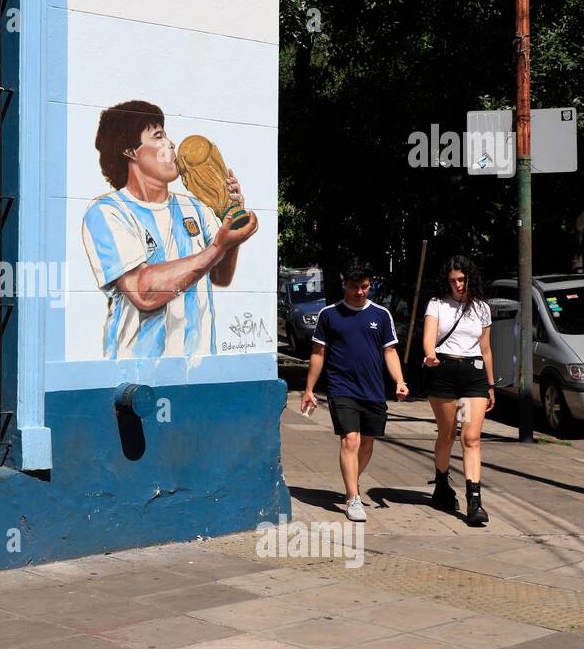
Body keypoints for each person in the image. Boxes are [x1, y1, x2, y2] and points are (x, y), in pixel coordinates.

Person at [81, 100, 258, 358]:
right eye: (159, 136)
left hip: (199, 370)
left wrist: (232, 229)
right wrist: (219, 245)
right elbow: (144, 291)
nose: (172, 144)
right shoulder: (107, 212)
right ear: (131, 151)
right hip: (137, 374)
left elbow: (220, 276)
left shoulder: (194, 208)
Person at [301, 261, 408, 522]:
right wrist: (309, 389)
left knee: (367, 443)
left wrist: (400, 381)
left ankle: (351, 483)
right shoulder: (330, 314)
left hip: (373, 390)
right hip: (341, 388)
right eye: (355, 287)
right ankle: (352, 497)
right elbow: (318, 353)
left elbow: (390, 351)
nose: (360, 292)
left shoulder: (381, 315)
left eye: (365, 287)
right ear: (344, 285)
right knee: (351, 439)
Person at [422, 255, 494, 526]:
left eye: (462, 280)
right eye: (453, 281)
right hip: (443, 373)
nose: (458, 285)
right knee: (448, 434)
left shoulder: (482, 308)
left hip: (473, 377)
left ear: (470, 278)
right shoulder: (437, 304)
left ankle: (474, 501)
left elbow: (486, 349)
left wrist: (490, 385)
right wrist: (430, 356)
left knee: (472, 438)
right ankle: (442, 484)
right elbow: (429, 339)